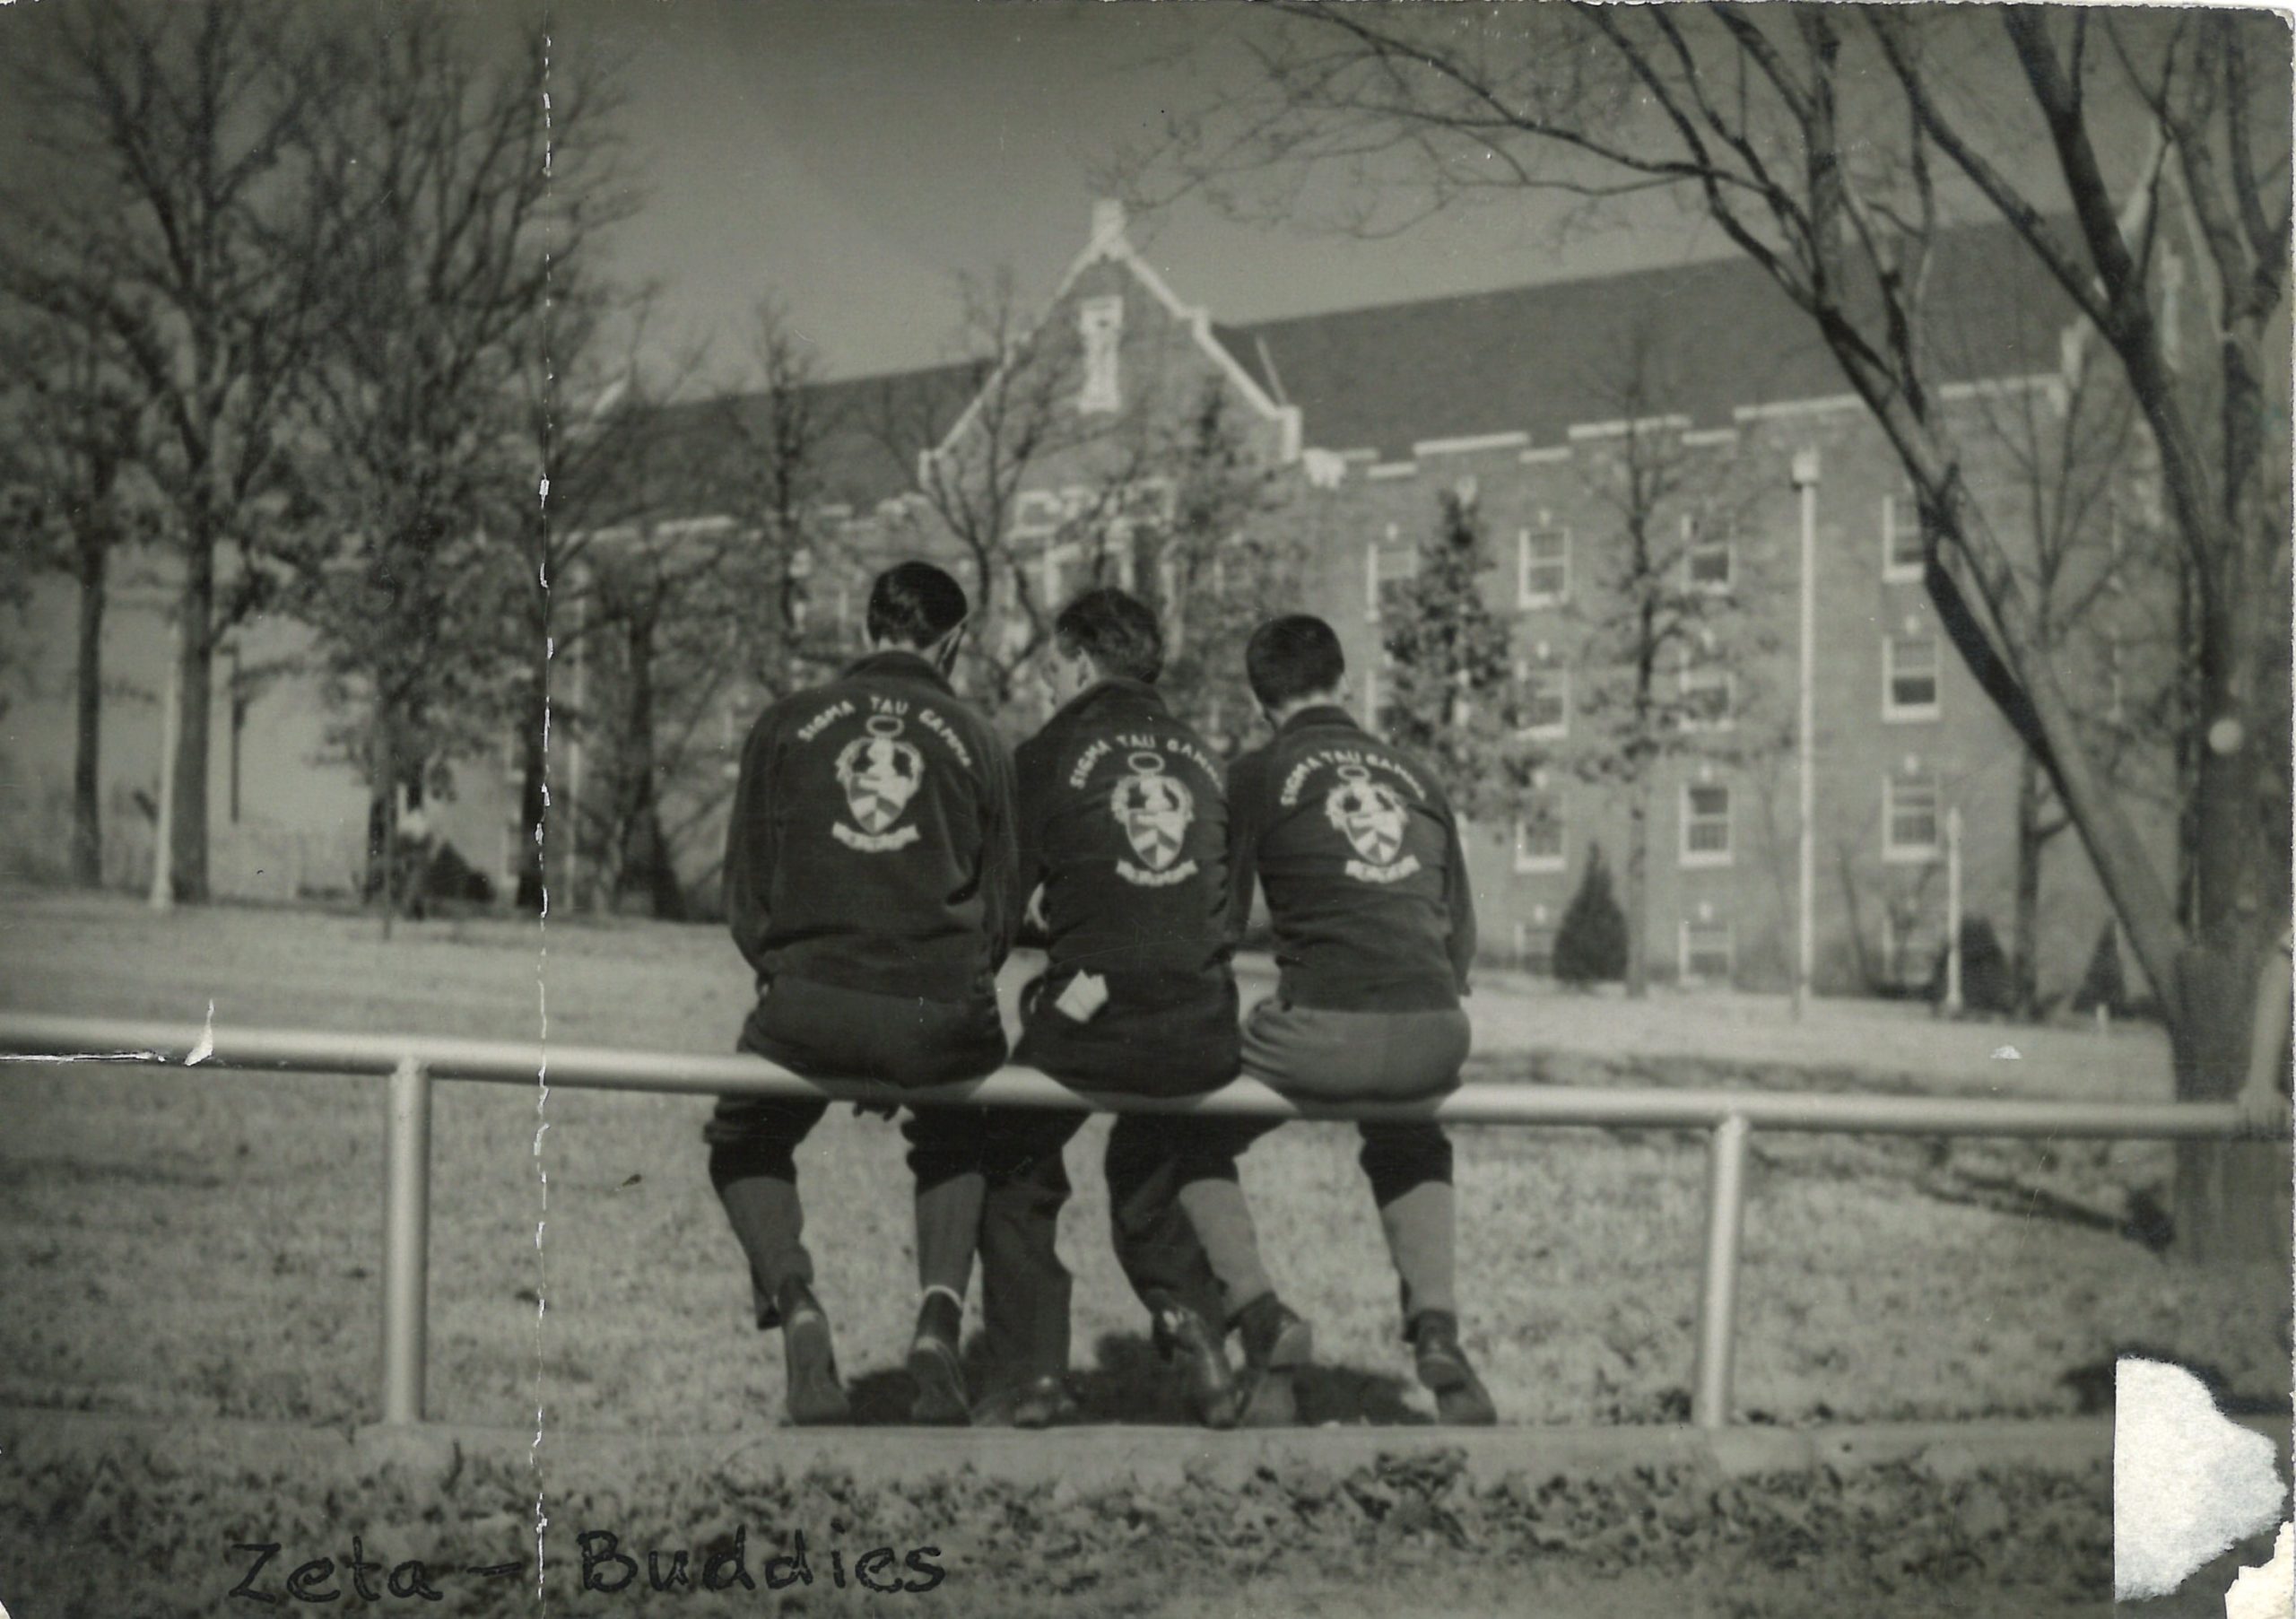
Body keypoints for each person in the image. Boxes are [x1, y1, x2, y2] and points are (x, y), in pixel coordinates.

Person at [704, 560, 1019, 1427]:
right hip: (940, 1010)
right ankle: (939, 1328)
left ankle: (799, 1307)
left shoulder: (785, 722)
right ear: (952, 641)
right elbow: (1001, 912)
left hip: (806, 1000)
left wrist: (797, 976)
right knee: (964, 1135)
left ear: (867, 626)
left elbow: (745, 892)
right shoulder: (983, 740)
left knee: (743, 1140)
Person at [1004, 588, 1311, 1428]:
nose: (1044, 685)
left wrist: (1051, 916)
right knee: (1150, 1165)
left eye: (1049, 668)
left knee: (1010, 1149)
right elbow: (1225, 909)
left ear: (1076, 662)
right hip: (1201, 1021)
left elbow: (1002, 907)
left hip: (1090, 1005)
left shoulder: (1046, 752)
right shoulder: (1208, 757)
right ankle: (1204, 1350)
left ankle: (1034, 1375)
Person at [1214, 613, 1497, 1425]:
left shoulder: (1258, 771)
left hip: (1324, 1033)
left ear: (1260, 699)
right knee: (1409, 1134)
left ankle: (1264, 1320)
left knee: (1168, 1138)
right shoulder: (1417, 773)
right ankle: (1438, 1329)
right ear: (1345, 678)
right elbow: (1462, 938)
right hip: (1436, 1032)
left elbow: (1219, 924)